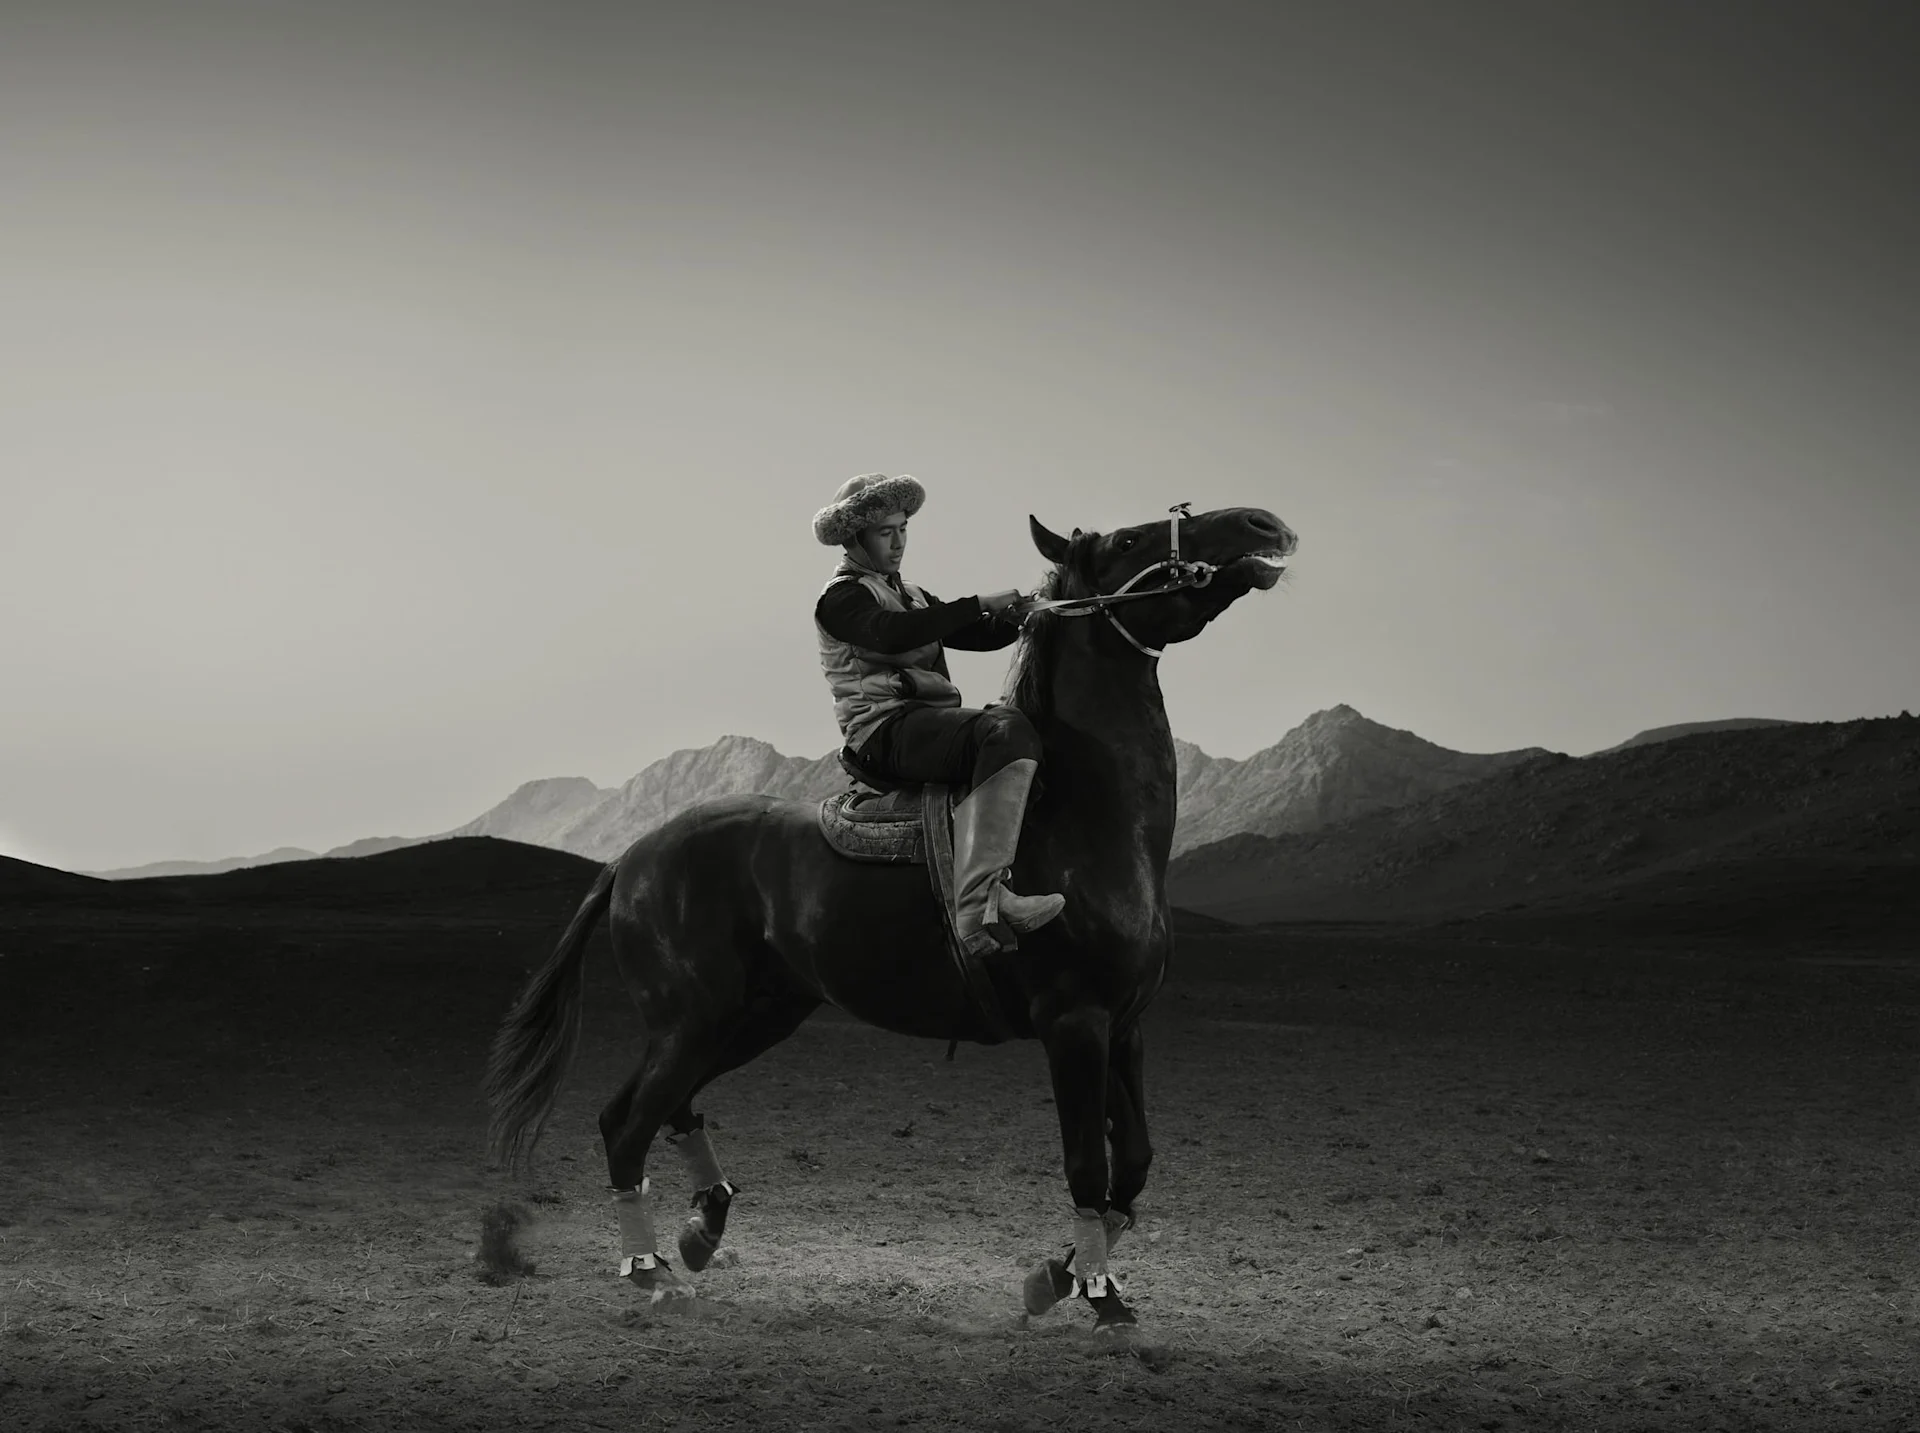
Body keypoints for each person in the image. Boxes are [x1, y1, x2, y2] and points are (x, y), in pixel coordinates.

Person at [812, 473, 1066, 956]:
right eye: (885, 532)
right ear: (855, 539)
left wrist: (1018, 618)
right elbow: (892, 633)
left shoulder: (912, 594)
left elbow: (974, 635)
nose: (898, 542)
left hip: (920, 726)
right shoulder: (841, 598)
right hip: (882, 731)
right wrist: (978, 603)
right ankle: (978, 904)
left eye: (903, 529)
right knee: (1002, 730)